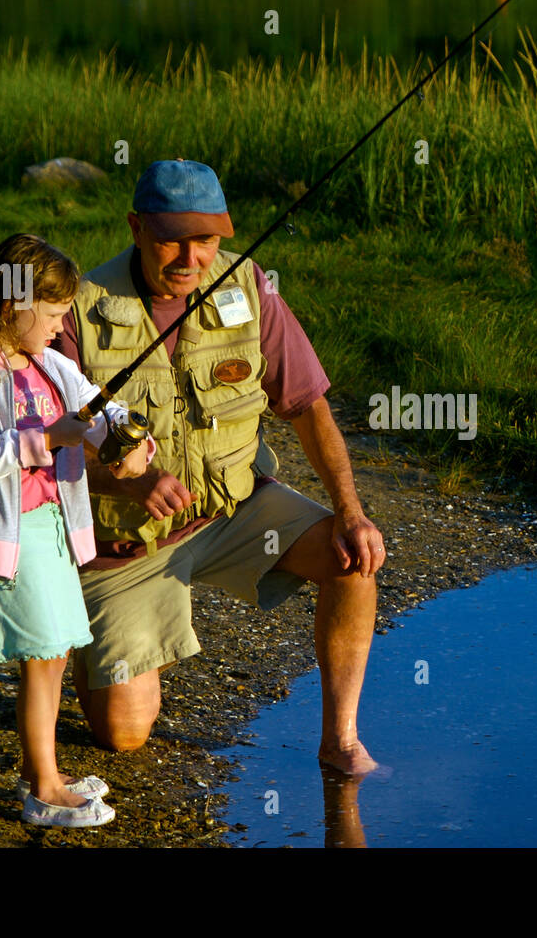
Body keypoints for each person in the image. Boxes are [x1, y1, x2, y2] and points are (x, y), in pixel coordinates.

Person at [55, 159, 383, 774]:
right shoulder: (79, 310)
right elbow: (49, 449)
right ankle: (96, 653)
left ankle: (340, 741)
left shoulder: (252, 289)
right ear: (135, 227)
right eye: (171, 238)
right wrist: (128, 477)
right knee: (122, 736)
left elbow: (308, 407)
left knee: (354, 557)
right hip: (126, 543)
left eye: (205, 240)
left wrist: (351, 512)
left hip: (236, 509)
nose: (189, 257)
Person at [0, 233, 152, 827]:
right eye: (54, 314)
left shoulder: (52, 363)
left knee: (56, 654)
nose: (62, 328)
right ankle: (42, 789)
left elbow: (101, 410)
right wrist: (50, 438)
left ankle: (48, 768)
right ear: (14, 307)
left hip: (57, 524)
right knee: (40, 656)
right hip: (15, 534)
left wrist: (132, 440)